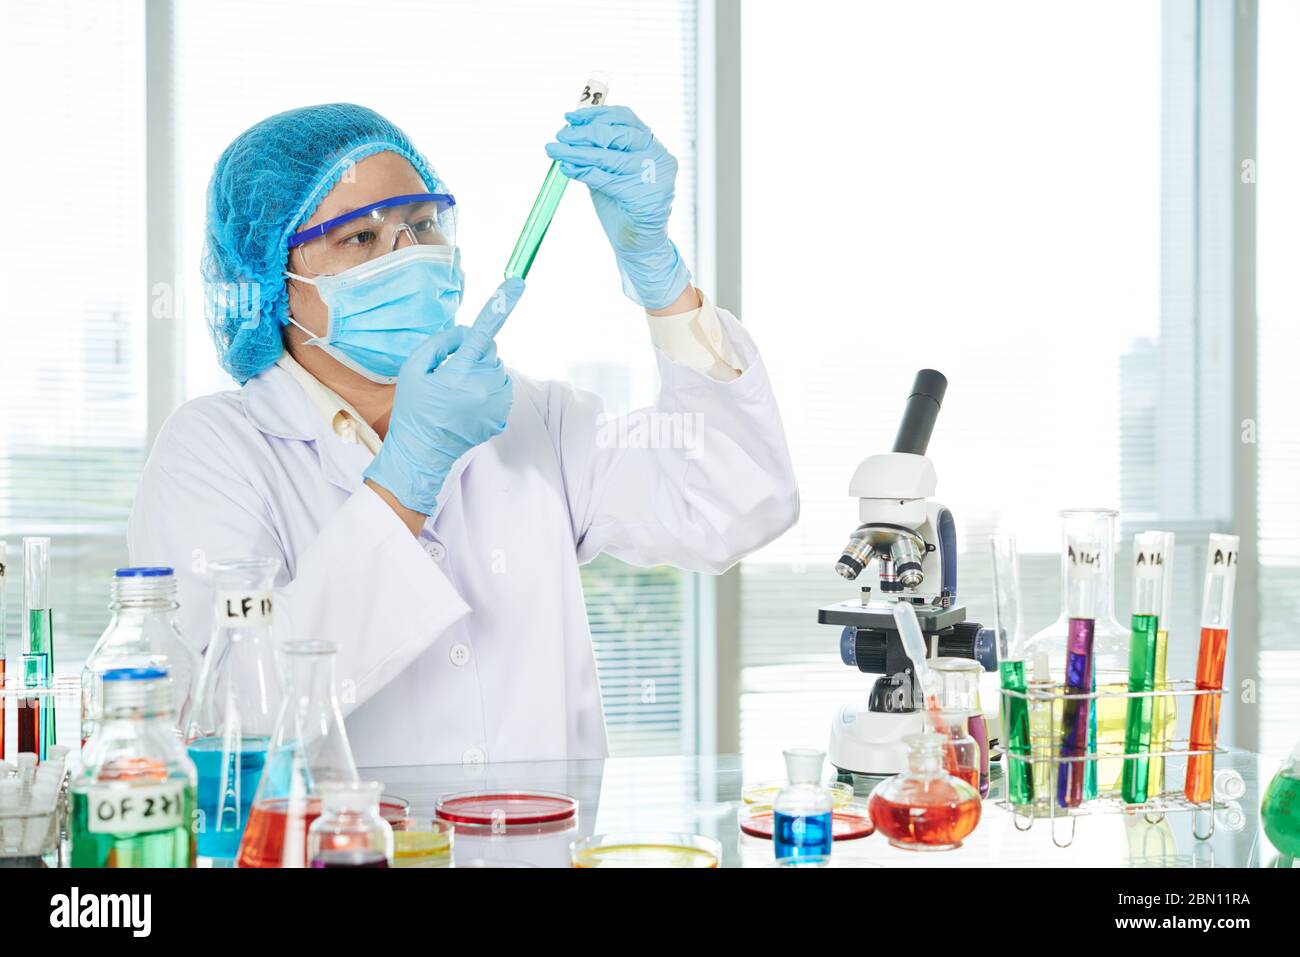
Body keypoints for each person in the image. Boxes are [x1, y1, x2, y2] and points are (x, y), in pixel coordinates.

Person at [129, 102, 798, 766]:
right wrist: (407, 477)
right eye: (361, 238)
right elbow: (229, 709)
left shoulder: (531, 417)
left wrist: (662, 277)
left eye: (422, 224)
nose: (410, 255)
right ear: (270, 282)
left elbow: (733, 502)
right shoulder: (214, 452)